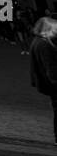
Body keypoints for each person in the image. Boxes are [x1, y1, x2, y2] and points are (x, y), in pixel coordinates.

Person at [30, 16, 57, 146]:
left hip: (48, 84)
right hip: (53, 85)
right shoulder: (43, 44)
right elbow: (50, 68)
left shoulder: (38, 41)